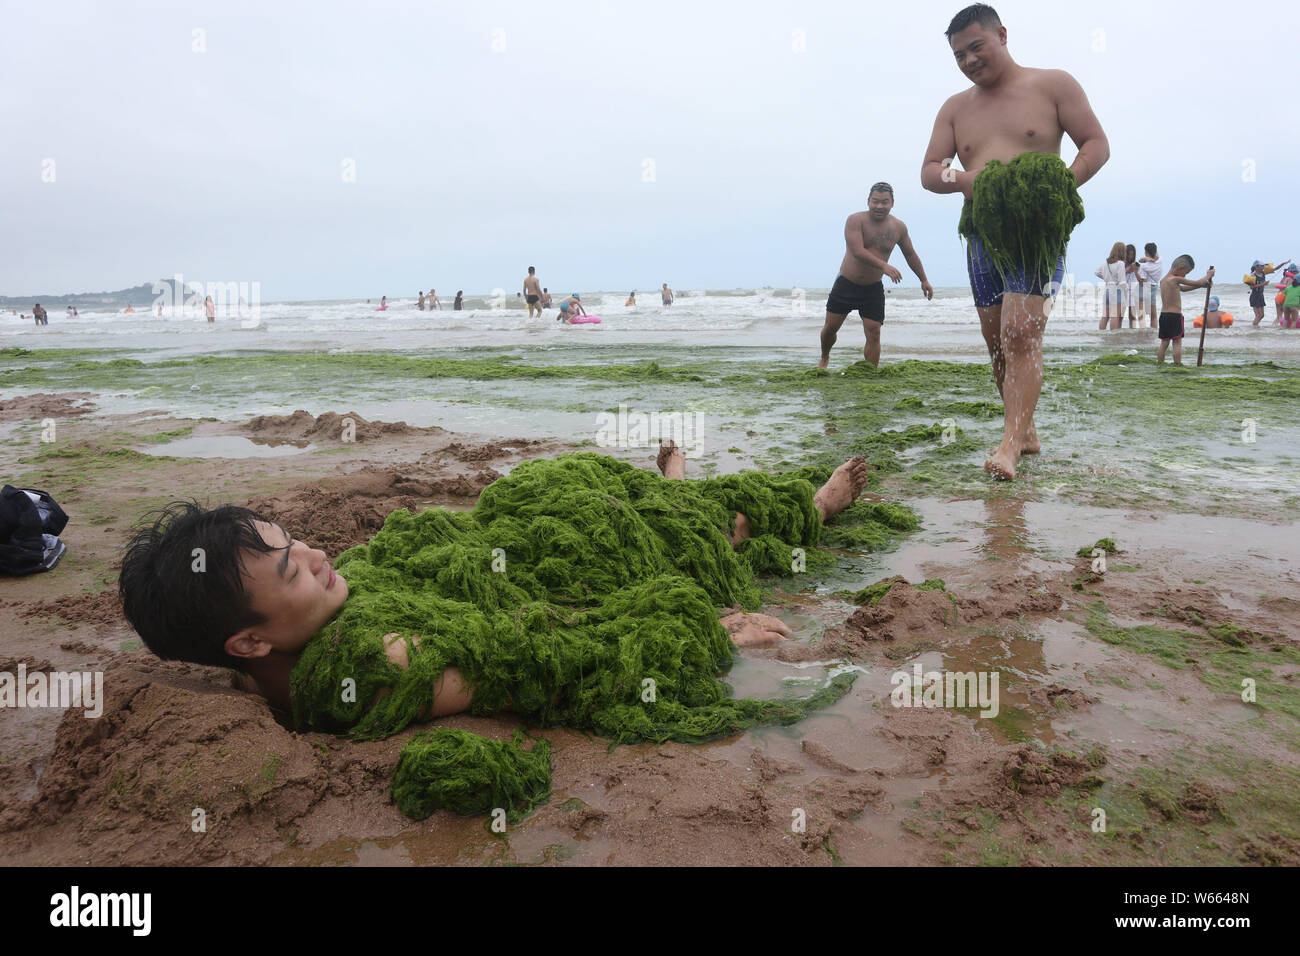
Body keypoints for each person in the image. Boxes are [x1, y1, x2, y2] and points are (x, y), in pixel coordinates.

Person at [116, 449, 872, 765]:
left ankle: (676, 491)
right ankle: (813, 506)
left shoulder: (265, 645)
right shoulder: (379, 670)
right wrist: (706, 632)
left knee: (590, 517)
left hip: (496, 578)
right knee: (687, 551)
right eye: (293, 569)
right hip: (546, 606)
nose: (317, 555)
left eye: (299, 542)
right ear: (248, 642)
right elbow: (538, 662)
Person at [920, 3, 1109, 479]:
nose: (968, 61)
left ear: (1002, 35)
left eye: (976, 47)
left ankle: (1009, 445)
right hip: (981, 232)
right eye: (959, 54)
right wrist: (966, 179)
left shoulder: (1053, 85)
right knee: (995, 340)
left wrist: (1060, 187)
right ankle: (1023, 429)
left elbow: (1096, 144)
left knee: (1021, 333)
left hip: (1036, 233)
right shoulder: (955, 108)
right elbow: (929, 172)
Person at [818, 182, 934, 369]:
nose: (879, 206)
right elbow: (857, 251)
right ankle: (824, 356)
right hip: (847, 283)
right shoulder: (855, 220)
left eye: (884, 202)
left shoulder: (898, 227)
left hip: (872, 288)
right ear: (868, 201)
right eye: (875, 201)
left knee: (874, 332)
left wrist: (924, 279)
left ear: (892, 203)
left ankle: (871, 371)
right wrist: (884, 266)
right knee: (830, 328)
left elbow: (910, 254)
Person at [1157, 255, 1213, 365]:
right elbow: (1197, 282)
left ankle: (1160, 364)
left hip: (1164, 316)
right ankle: (1177, 365)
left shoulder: (1164, 280)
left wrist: (1201, 286)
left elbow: (1183, 289)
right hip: (1175, 316)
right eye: (1186, 273)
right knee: (1177, 342)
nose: (1185, 276)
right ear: (1180, 268)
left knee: (1164, 343)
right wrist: (1209, 275)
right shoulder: (1176, 279)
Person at [1245, 260, 1287, 326]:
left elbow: (1274, 269)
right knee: (1258, 315)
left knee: (1262, 315)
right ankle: (1254, 327)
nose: (1263, 267)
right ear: (1256, 267)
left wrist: (1283, 263)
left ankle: (1255, 327)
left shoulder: (1263, 273)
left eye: (1263, 266)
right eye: (1261, 266)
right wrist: (1263, 284)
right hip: (1255, 296)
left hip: (1261, 296)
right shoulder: (1253, 275)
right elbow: (1252, 287)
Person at [1094, 242, 1126, 331]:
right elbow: (1122, 280)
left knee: (1105, 315)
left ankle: (1102, 333)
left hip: (1107, 289)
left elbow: (1097, 272)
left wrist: (1107, 279)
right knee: (1115, 315)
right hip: (1116, 290)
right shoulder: (1120, 263)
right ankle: (1113, 336)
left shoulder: (1106, 263)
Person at [1136, 243, 1162, 329]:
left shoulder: (1144, 267)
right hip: (1154, 287)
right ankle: (1154, 332)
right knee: (1153, 315)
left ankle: (1142, 331)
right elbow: (1155, 259)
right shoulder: (1160, 261)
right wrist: (1148, 259)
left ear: (1146, 252)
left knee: (1142, 314)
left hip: (1144, 288)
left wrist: (1135, 271)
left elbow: (1142, 281)